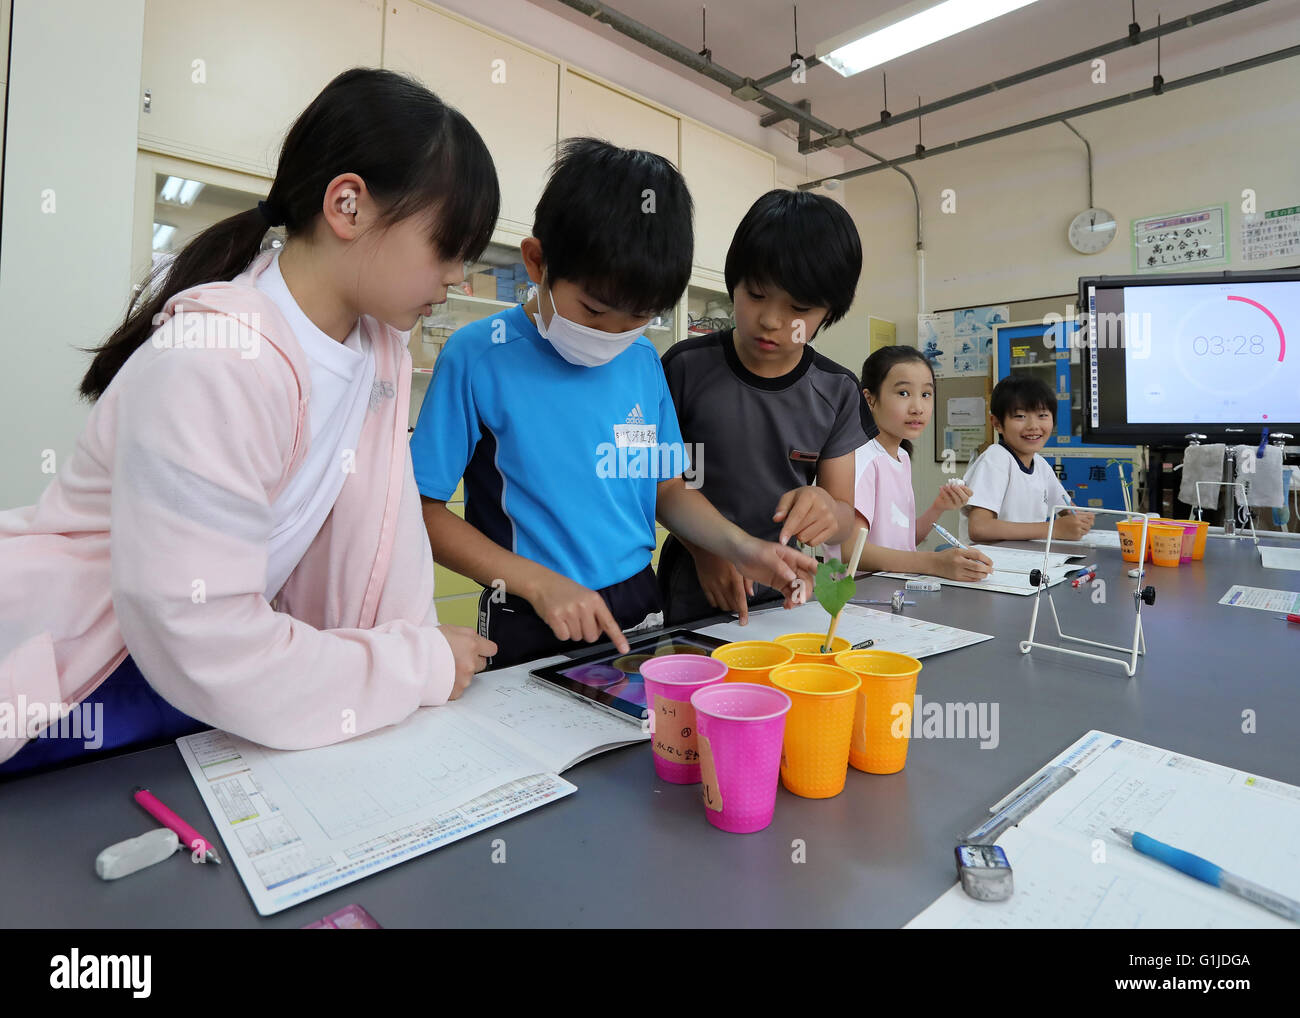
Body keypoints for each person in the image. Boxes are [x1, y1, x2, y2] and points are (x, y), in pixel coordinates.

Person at [0, 69, 498, 775]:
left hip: (215, 678)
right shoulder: (215, 361)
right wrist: (412, 664)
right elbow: (200, 632)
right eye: (447, 248)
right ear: (348, 206)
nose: (457, 278)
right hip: (79, 679)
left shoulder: (376, 355)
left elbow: (386, 542)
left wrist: (413, 658)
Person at [414, 140, 815, 669]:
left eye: (638, 319)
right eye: (594, 310)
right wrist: (536, 583)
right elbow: (422, 510)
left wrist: (742, 547)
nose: (612, 336)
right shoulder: (479, 355)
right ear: (537, 262)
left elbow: (666, 486)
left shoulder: (642, 360)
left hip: (637, 602)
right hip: (531, 607)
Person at [658, 189, 874, 625]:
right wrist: (708, 551)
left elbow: (844, 517)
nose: (772, 320)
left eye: (799, 308)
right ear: (733, 283)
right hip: (696, 579)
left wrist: (825, 507)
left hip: (785, 589)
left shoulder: (837, 390)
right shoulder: (684, 368)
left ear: (829, 312)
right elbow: (661, 487)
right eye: (756, 294)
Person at [850, 346, 993, 580]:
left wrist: (939, 506)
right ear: (870, 399)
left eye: (926, 394)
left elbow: (903, 543)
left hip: (896, 589)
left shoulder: (901, 456)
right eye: (903, 393)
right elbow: (852, 551)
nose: (918, 408)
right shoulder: (862, 459)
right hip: (863, 594)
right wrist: (934, 563)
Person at [962, 375, 1096, 542]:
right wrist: (1053, 529)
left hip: (1026, 555)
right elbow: (980, 528)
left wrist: (1080, 520)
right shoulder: (995, 459)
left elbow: (1068, 509)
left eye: (1042, 415)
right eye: (1020, 416)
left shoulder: (1040, 464)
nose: (1033, 426)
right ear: (997, 423)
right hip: (987, 557)